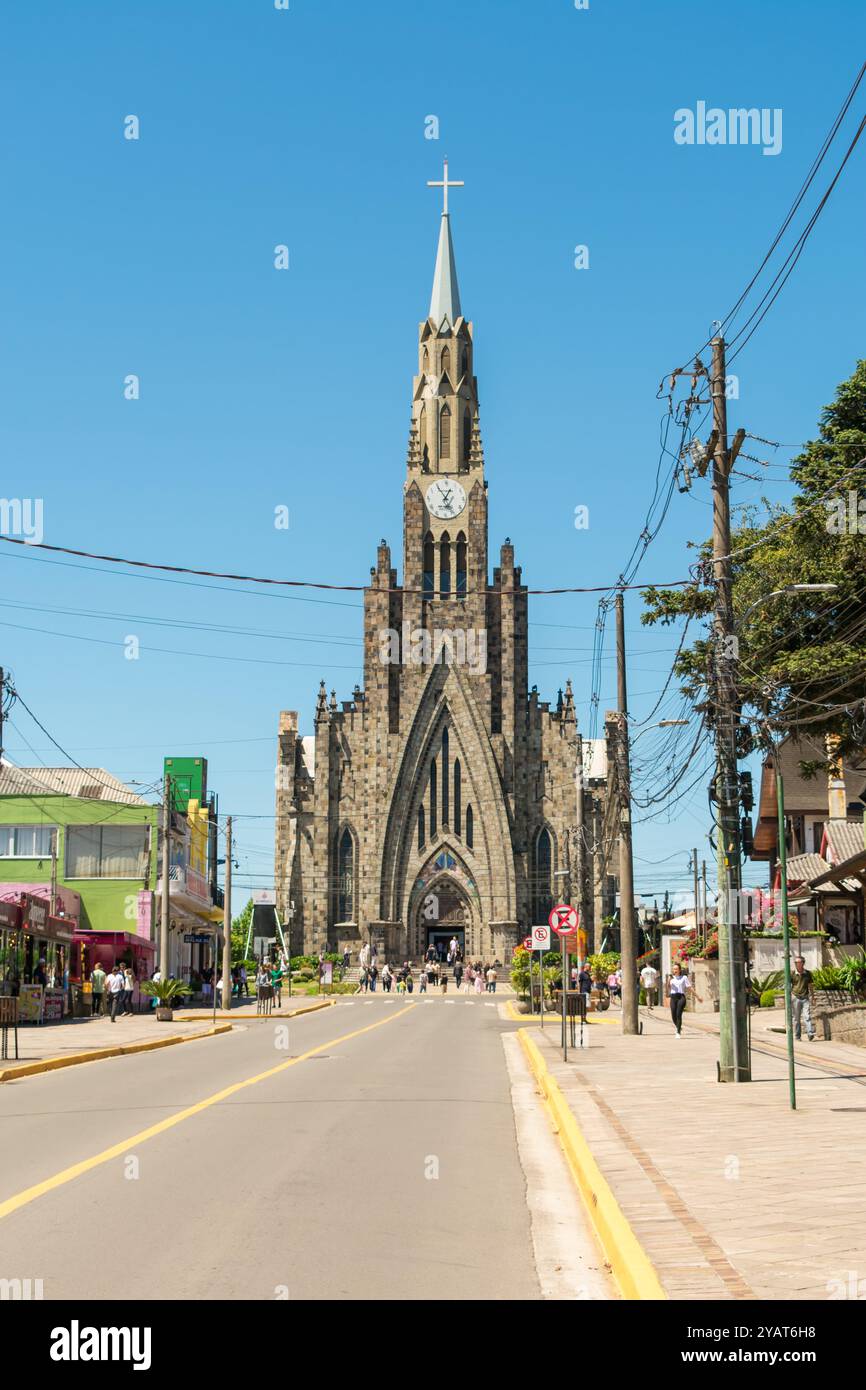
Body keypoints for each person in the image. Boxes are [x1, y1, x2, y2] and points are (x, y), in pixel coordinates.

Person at [792, 956, 816, 1041]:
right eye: (795, 963)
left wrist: (813, 997)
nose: (796, 964)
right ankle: (798, 1036)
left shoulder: (808, 973)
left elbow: (810, 986)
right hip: (795, 997)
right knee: (796, 1018)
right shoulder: (792, 973)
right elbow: (788, 986)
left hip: (805, 997)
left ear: (802, 963)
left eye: (798, 962)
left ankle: (810, 1033)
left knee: (807, 1016)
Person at [669, 962, 689, 1037]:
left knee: (678, 1014)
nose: (675, 970)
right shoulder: (671, 978)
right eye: (674, 969)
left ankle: (678, 1032)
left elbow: (689, 987)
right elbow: (668, 987)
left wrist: (697, 996)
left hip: (681, 997)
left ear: (679, 970)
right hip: (673, 997)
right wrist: (669, 980)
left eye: (676, 969)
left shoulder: (684, 977)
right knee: (673, 1015)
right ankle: (678, 1026)